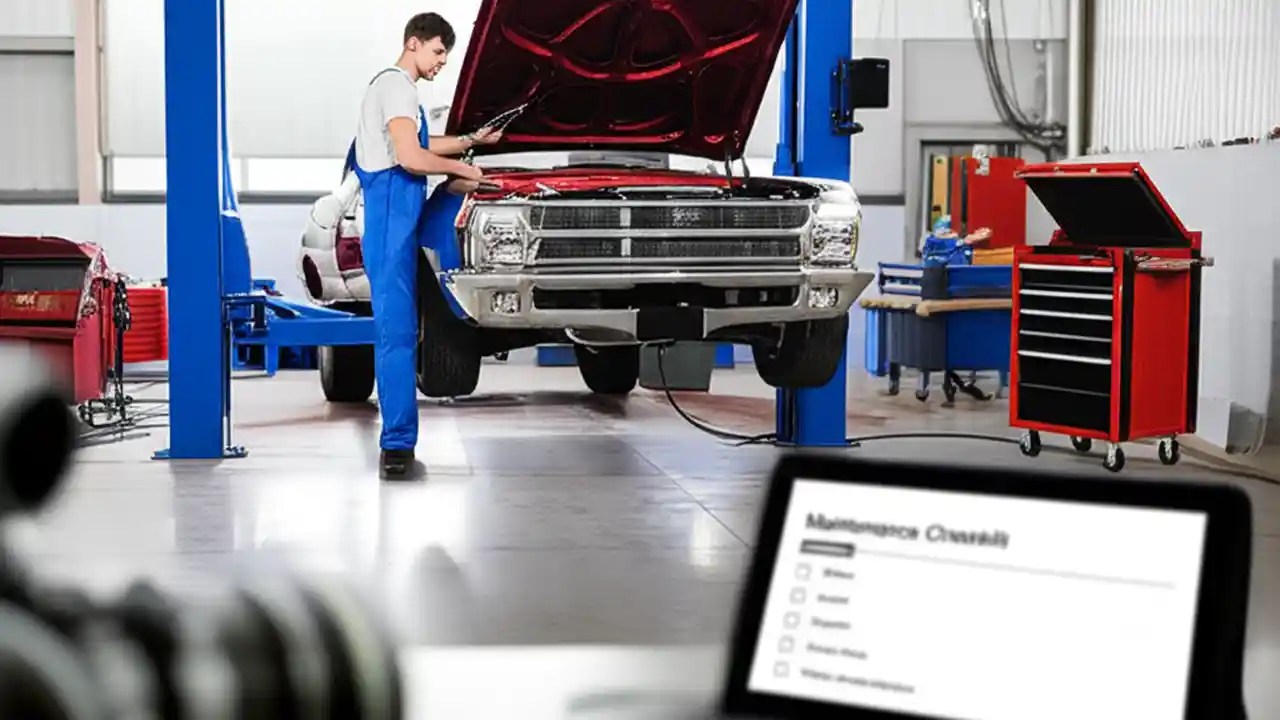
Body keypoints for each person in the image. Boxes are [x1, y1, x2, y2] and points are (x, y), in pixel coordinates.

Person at [350, 12, 502, 479]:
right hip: (391, 220)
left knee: (402, 331)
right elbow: (413, 157)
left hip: (404, 217)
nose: (441, 64)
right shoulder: (396, 85)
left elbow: (423, 140)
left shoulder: (400, 92)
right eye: (438, 52)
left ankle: (400, 438)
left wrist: (472, 141)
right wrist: (465, 170)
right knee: (395, 336)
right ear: (414, 43)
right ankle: (395, 447)